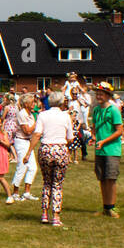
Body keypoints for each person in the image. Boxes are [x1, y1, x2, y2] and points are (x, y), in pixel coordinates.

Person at [30, 90, 74, 227]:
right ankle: (55, 216)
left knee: (47, 182)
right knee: (57, 184)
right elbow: (70, 138)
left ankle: (44, 213)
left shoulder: (42, 115)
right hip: (60, 149)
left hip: (45, 149)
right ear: (61, 102)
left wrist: (28, 152)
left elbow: (37, 134)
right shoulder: (66, 116)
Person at [88, 82, 124, 217]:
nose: (98, 96)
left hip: (112, 150)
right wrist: (93, 137)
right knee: (102, 178)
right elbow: (94, 127)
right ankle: (105, 207)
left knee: (111, 178)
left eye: (101, 94)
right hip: (100, 150)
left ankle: (112, 207)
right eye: (97, 93)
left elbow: (119, 131)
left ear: (108, 95)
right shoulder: (96, 110)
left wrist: (104, 141)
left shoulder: (114, 110)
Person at [10, 94, 38, 202]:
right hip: (21, 141)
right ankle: (15, 192)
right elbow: (27, 130)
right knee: (22, 166)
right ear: (26, 104)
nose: (34, 104)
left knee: (33, 167)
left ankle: (27, 192)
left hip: (28, 142)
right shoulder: (22, 114)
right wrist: (36, 124)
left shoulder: (30, 114)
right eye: (32, 102)